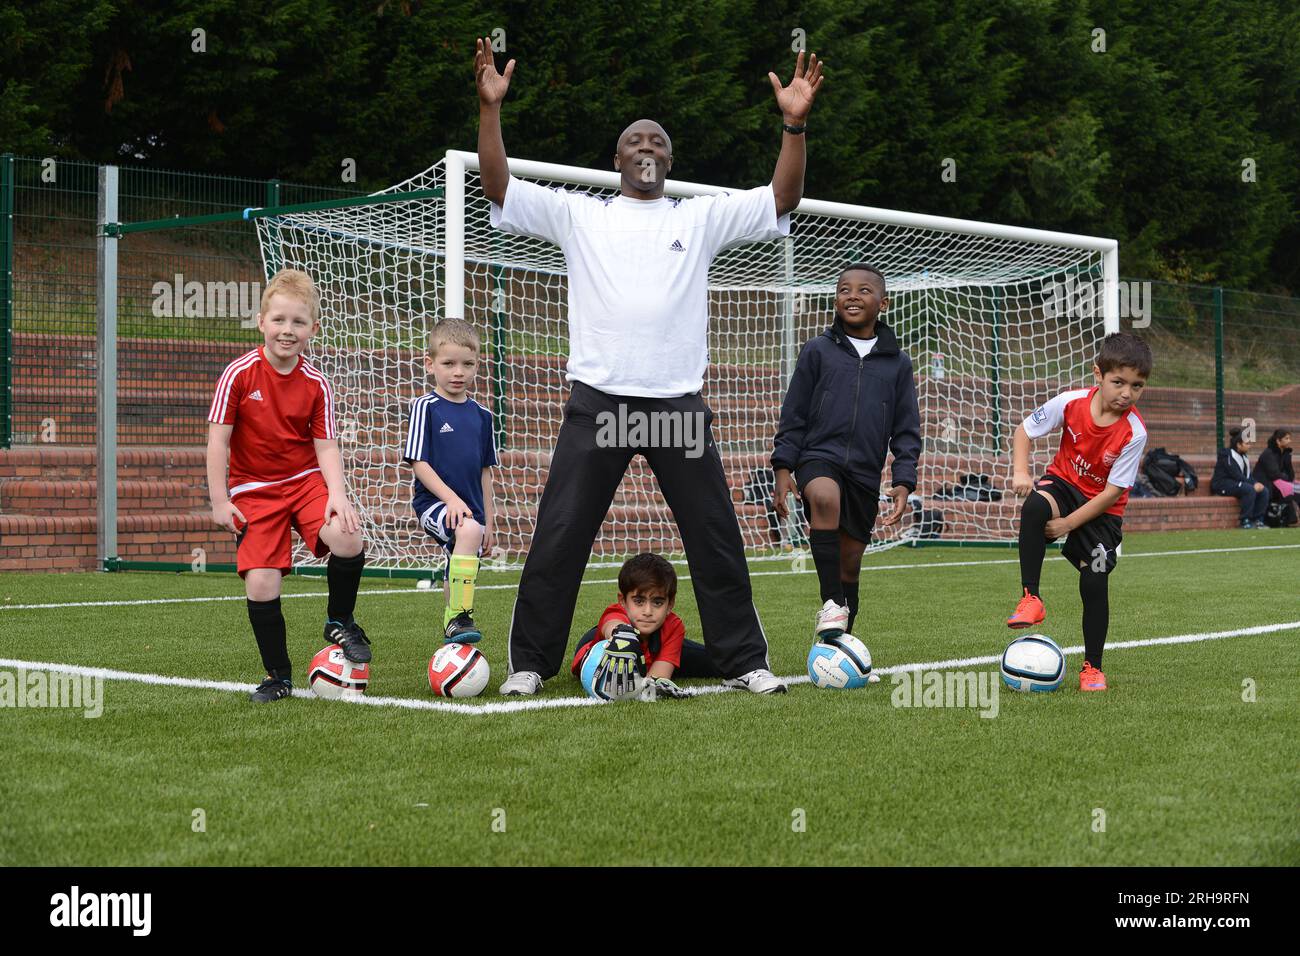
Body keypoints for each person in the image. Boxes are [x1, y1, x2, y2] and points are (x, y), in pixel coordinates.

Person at [474, 37, 824, 696]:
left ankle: (744, 660)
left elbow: (782, 197)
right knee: (560, 534)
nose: (647, 146)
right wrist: (490, 109)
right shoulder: (580, 215)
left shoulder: (699, 219)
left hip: (676, 408)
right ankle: (530, 663)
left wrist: (794, 124)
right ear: (617, 159)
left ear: (668, 160)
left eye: (658, 141)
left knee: (715, 534)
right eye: (635, 139)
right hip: (599, 404)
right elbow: (499, 186)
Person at [207, 269, 369, 703]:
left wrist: (338, 495)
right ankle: (278, 676)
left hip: (304, 483)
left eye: (298, 323)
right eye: (278, 320)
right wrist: (220, 500)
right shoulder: (238, 375)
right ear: (261, 322)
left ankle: (339, 620)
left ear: (312, 330)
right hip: (253, 490)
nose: (287, 330)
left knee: (348, 536)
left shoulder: (316, 383)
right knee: (261, 584)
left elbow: (326, 446)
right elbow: (218, 440)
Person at [771, 263, 921, 645]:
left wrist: (904, 480)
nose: (852, 295)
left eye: (863, 290)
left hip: (865, 473)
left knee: (850, 562)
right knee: (823, 495)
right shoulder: (817, 350)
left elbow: (906, 428)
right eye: (844, 289)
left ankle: (838, 648)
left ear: (883, 303)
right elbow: (794, 413)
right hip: (818, 456)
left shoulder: (898, 363)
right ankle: (832, 602)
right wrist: (784, 466)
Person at [1006, 332, 1153, 692]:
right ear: (1098, 375)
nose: (1126, 393)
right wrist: (1021, 471)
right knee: (1036, 505)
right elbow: (1024, 431)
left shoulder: (1134, 432)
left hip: (1103, 511)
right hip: (1064, 484)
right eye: (1118, 382)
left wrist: (1067, 526)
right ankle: (1031, 598)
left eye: (1136, 386)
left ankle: (1092, 668)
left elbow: (1113, 492)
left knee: (1095, 578)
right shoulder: (1070, 403)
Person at [402, 318, 497, 643]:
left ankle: (454, 624)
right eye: (449, 363)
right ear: (430, 365)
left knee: (463, 554)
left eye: (467, 364)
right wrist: (451, 500)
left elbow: (485, 471)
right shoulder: (425, 408)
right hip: (434, 503)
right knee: (466, 532)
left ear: (476, 366)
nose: (458, 372)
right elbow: (419, 463)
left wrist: (491, 520)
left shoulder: (484, 416)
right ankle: (458, 616)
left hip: (473, 509)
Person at [569, 553, 721, 700]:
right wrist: (620, 635)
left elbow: (654, 681)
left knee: (718, 662)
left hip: (659, 645)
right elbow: (612, 624)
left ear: (670, 605)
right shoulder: (617, 613)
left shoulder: (673, 626)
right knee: (622, 634)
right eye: (639, 601)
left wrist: (655, 684)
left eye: (657, 602)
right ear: (623, 601)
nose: (648, 612)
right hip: (592, 643)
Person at [1211, 428, 1270, 529]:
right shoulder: (1227, 456)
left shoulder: (1244, 457)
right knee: (1249, 489)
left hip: (1236, 483)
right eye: (1247, 443)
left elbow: (1248, 475)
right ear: (1239, 445)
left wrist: (1256, 483)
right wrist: (1253, 485)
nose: (1249, 446)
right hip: (1222, 484)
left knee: (1264, 490)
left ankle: (1258, 520)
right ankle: (1245, 520)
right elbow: (1236, 475)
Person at [1255, 428, 1298, 526]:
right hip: (1266, 483)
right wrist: (1287, 479)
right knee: (1288, 488)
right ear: (1278, 441)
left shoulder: (1284, 453)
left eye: (1289, 438)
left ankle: (1291, 519)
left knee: (1297, 488)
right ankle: (1291, 520)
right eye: (1286, 438)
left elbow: (1291, 475)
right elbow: (1274, 474)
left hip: (1277, 482)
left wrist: (1287, 457)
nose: (1289, 441)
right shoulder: (1268, 453)